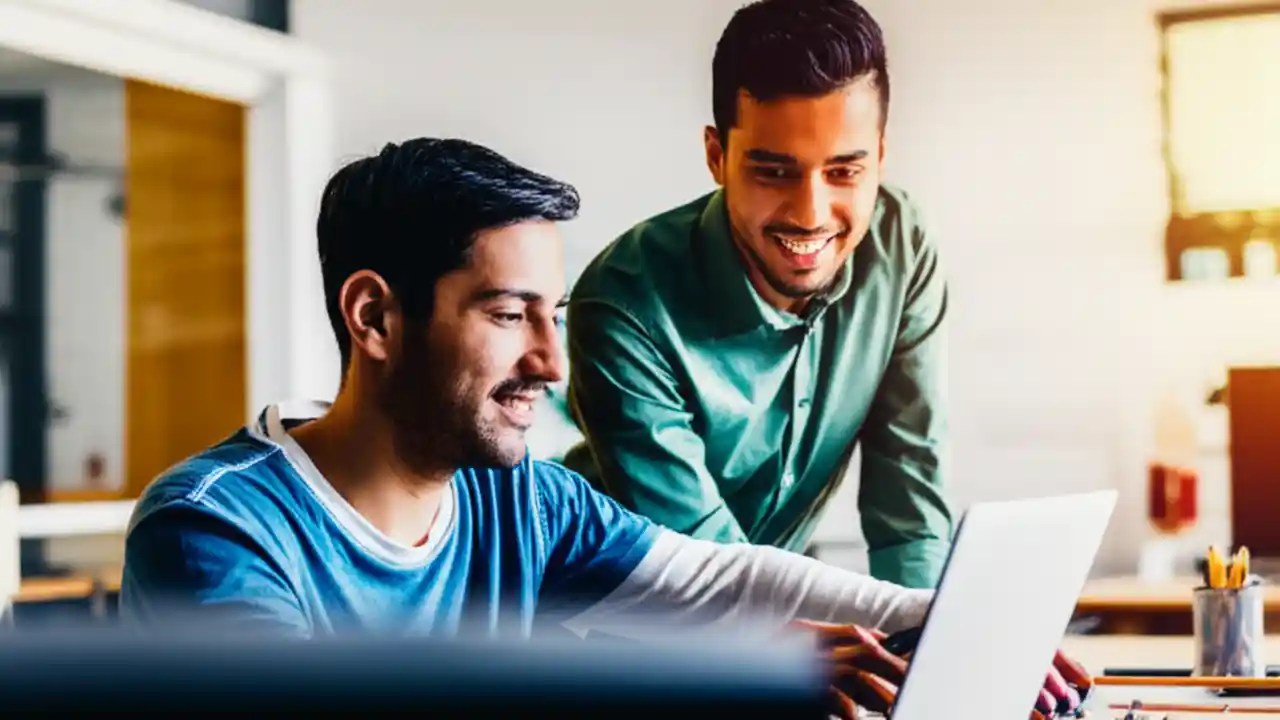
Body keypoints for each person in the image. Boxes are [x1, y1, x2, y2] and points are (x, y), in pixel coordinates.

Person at [120, 138, 1084, 719]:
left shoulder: (519, 495)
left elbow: (715, 577)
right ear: (375, 318)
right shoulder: (215, 527)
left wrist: (939, 619)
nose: (550, 363)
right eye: (507, 317)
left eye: (555, 316)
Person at [561, 0, 952, 589]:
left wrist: (932, 641)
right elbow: (705, 568)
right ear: (717, 156)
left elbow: (910, 503)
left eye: (845, 171)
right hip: (611, 632)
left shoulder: (901, 244)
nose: (810, 214)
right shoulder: (622, 303)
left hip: (774, 627)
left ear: (880, 157)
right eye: (774, 171)